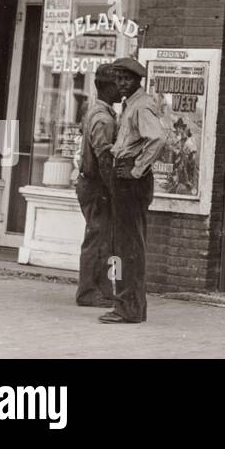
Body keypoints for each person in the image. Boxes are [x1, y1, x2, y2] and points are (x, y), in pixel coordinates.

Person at [101, 57, 165, 324]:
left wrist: (137, 169)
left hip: (130, 179)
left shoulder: (141, 106)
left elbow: (158, 138)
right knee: (124, 243)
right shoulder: (130, 104)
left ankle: (128, 308)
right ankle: (129, 306)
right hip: (123, 175)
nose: (120, 83)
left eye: (126, 78)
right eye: (117, 78)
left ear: (138, 80)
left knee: (129, 245)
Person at [74, 65, 119, 307]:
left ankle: (101, 288)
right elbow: (103, 158)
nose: (122, 88)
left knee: (102, 236)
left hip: (92, 184)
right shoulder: (102, 119)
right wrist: (114, 188)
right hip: (96, 186)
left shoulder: (98, 112)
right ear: (108, 88)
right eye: (118, 84)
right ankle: (88, 292)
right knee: (96, 237)